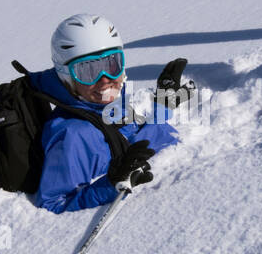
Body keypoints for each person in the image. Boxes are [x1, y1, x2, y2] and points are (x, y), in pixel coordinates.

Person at [28, 13, 188, 213]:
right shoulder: (73, 136)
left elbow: (136, 141)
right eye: (88, 71)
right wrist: (111, 184)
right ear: (65, 76)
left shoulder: (107, 105)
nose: (105, 80)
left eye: (111, 64)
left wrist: (164, 105)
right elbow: (53, 204)